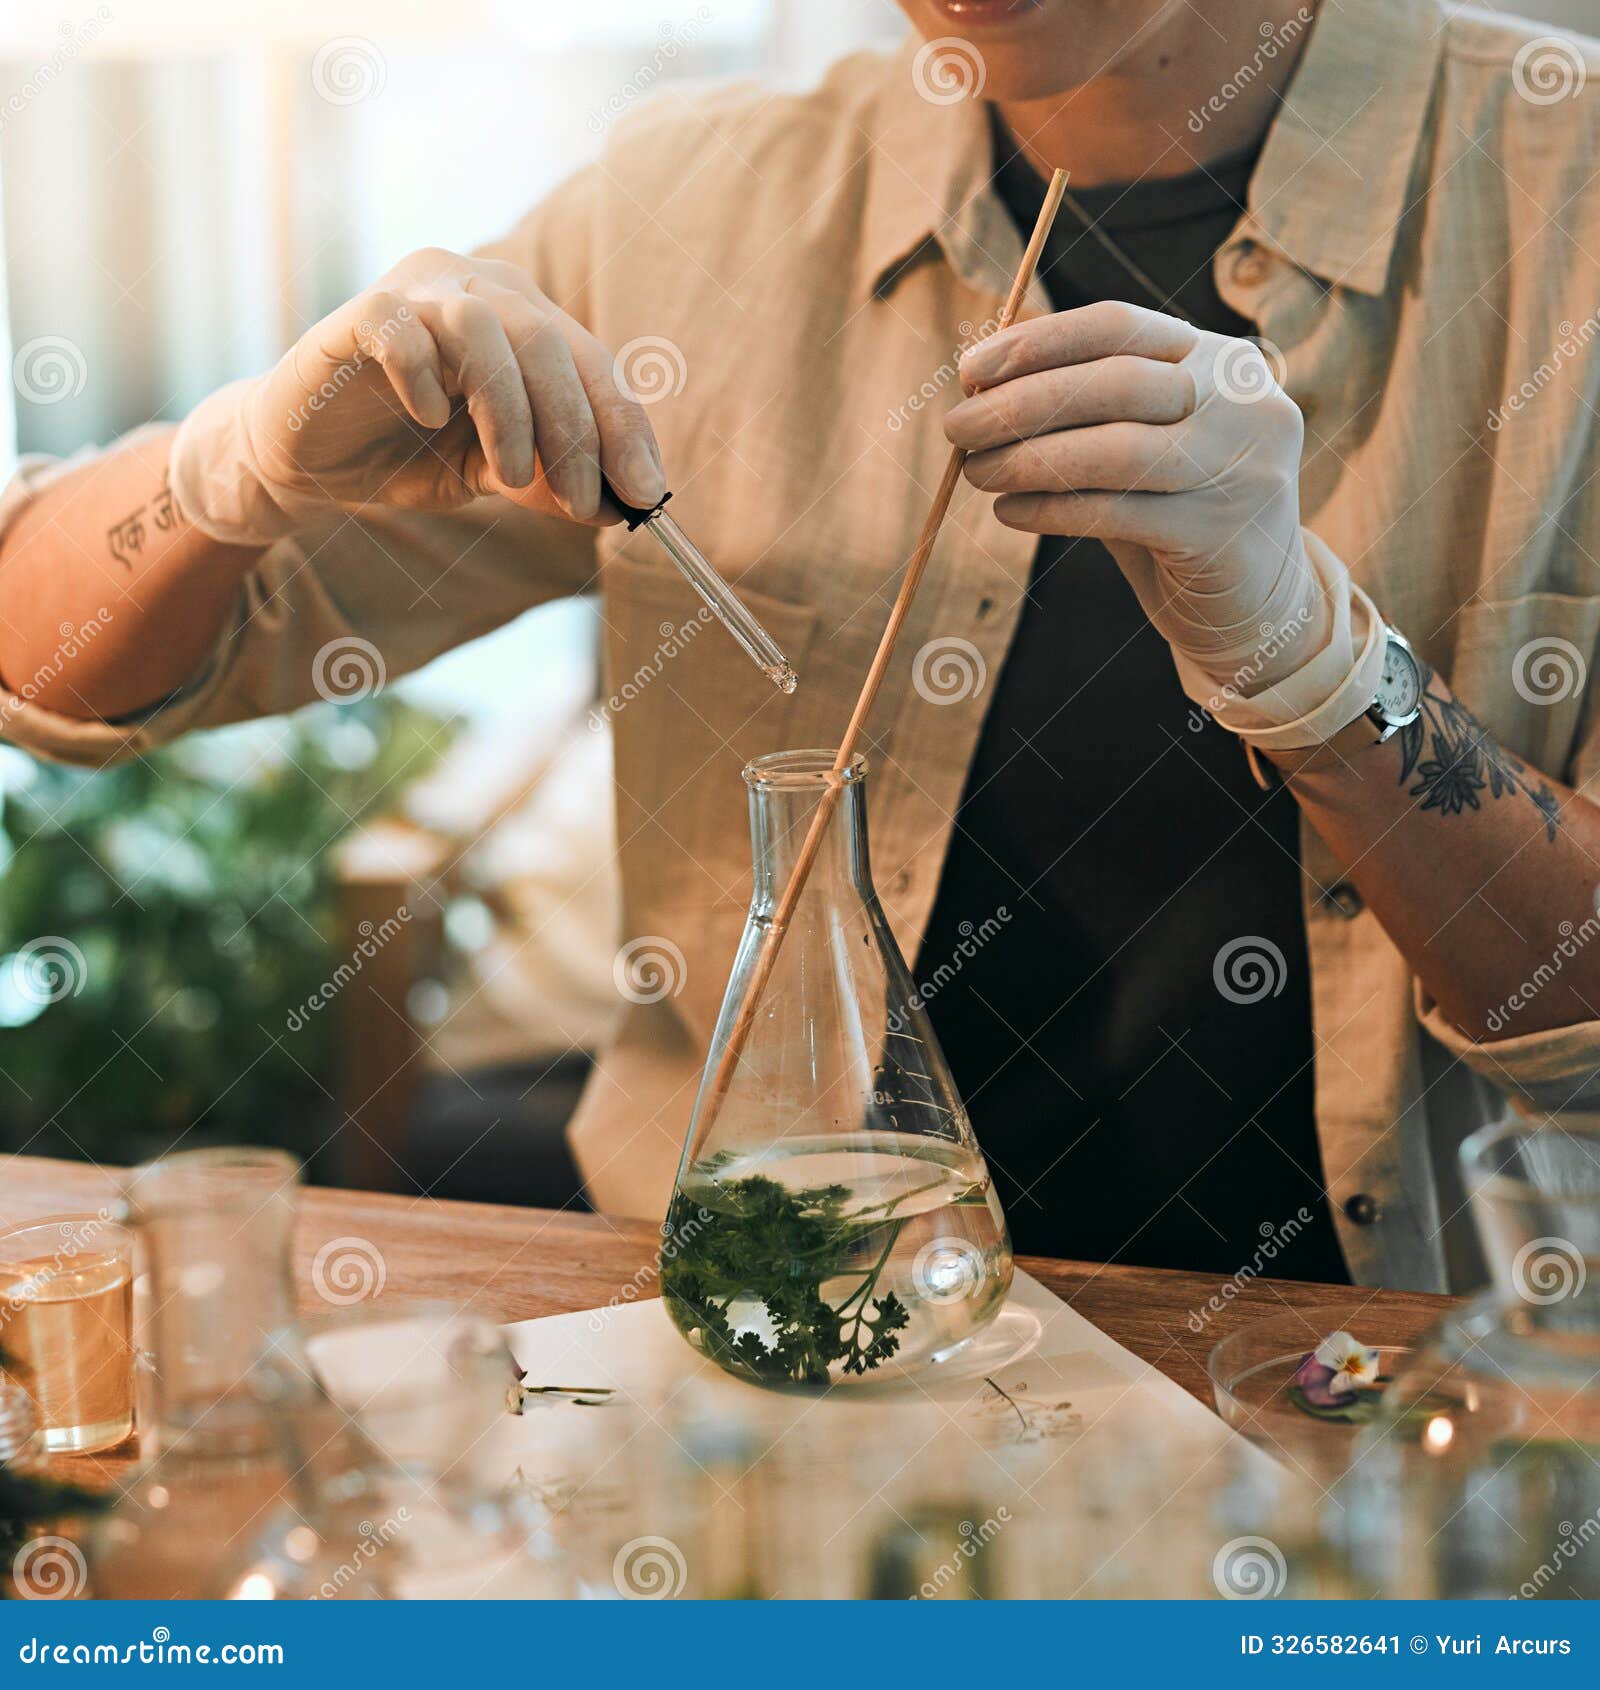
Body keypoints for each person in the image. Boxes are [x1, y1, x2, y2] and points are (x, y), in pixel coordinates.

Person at [3, 0, 1598, 1291]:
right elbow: (43, 653)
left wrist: (1322, 676)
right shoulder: (688, 213)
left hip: (1383, 1410)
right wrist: (229, 472)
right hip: (761, 1371)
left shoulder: (1562, 201)